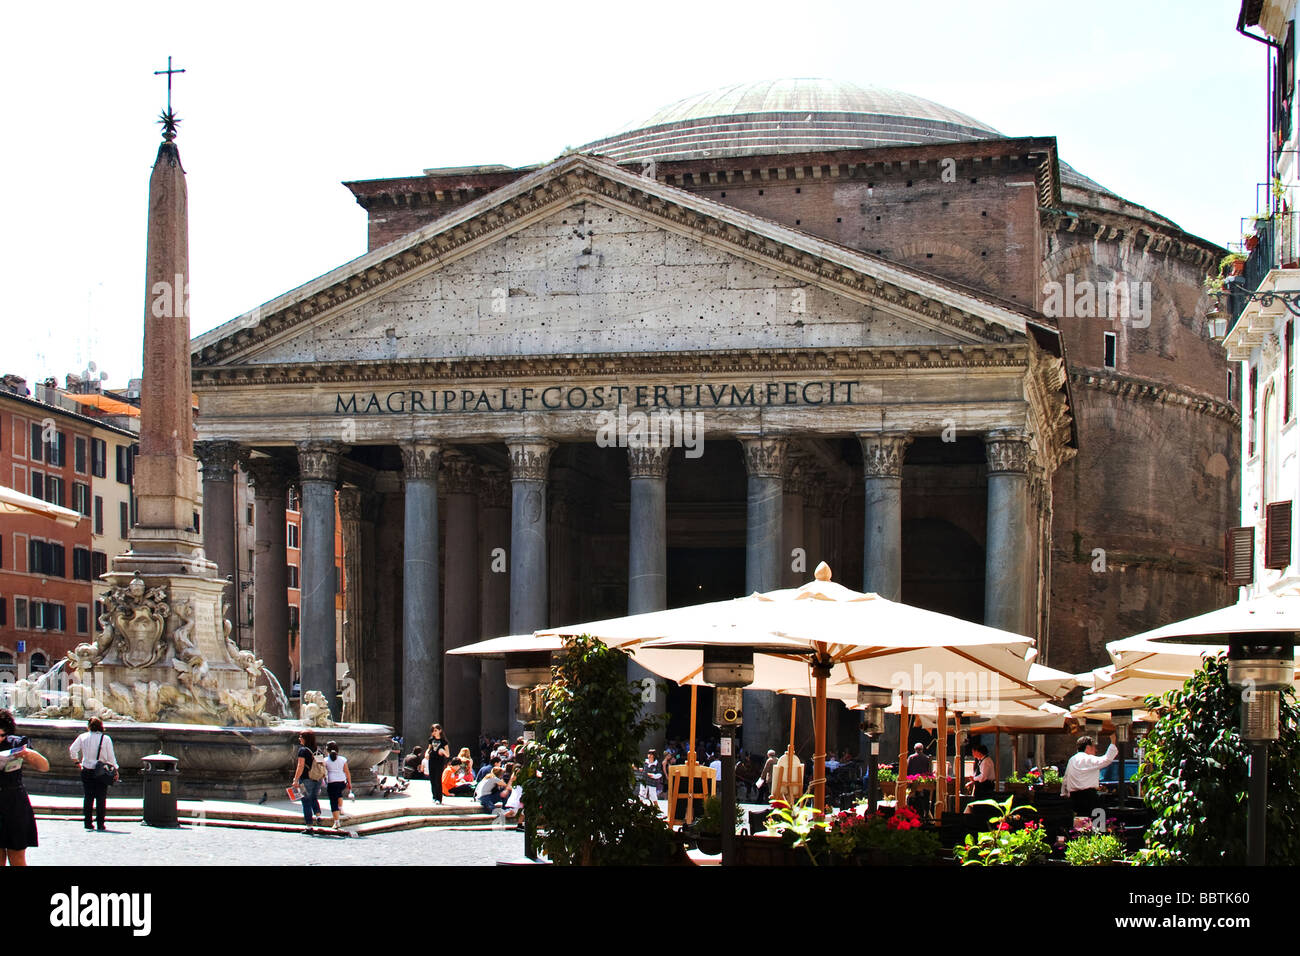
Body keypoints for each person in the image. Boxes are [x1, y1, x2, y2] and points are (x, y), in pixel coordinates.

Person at [0, 709, 49, 866]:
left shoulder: (17, 742)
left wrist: (28, 754)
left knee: (17, 856)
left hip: (14, 802)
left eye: (2, 735)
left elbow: (44, 767)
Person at [69, 716, 117, 831]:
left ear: (89, 726)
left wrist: (77, 763)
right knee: (101, 798)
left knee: (88, 797)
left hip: (86, 770)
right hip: (101, 771)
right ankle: (100, 823)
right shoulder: (106, 739)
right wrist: (115, 769)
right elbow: (111, 757)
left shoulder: (83, 737)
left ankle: (87, 822)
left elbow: (72, 750)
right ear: (101, 726)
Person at [1062, 735, 1118, 815]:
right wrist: (1113, 741)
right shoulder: (1087, 759)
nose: (1096, 750)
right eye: (1094, 747)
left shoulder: (1072, 759)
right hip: (1088, 797)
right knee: (1094, 822)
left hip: (1074, 798)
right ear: (1088, 747)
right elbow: (1107, 759)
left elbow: (1066, 778)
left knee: (1080, 822)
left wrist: (1064, 794)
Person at [291, 730, 323, 832]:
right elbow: (321, 765)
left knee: (306, 802)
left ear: (306, 739)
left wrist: (295, 780)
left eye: (301, 737)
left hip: (306, 778)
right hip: (317, 778)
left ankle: (309, 826)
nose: (299, 738)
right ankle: (318, 816)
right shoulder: (318, 750)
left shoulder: (303, 751)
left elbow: (300, 766)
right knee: (314, 797)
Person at [322, 741, 352, 830]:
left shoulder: (325, 760)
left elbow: (322, 770)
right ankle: (341, 808)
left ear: (327, 750)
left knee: (333, 801)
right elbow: (347, 772)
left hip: (331, 782)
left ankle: (336, 822)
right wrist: (349, 783)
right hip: (342, 781)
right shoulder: (343, 759)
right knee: (339, 794)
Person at [427, 724, 450, 805]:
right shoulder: (431, 739)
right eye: (433, 731)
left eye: (436, 730)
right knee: (432, 779)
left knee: (438, 779)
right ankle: (434, 796)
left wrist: (442, 751)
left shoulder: (444, 741)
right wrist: (427, 753)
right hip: (431, 760)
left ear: (440, 731)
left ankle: (439, 798)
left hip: (439, 762)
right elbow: (429, 748)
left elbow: (448, 754)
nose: (434, 732)